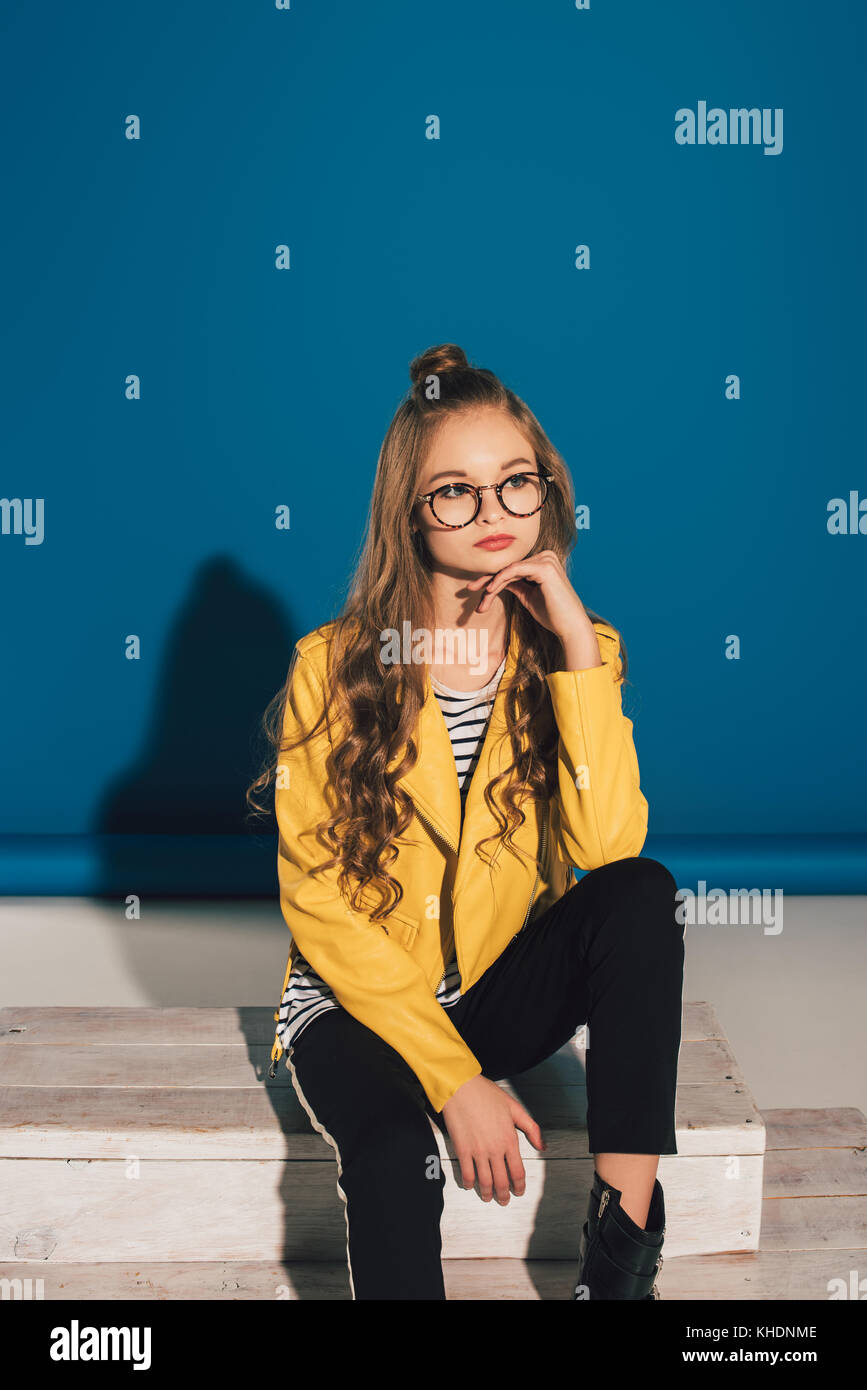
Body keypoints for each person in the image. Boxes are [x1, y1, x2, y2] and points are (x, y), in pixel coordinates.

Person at [246, 342, 685, 1301]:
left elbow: (610, 863)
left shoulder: (580, 649)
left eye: (513, 484)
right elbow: (315, 903)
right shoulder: (332, 663)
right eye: (455, 492)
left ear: (546, 492)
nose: (491, 515)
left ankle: (618, 1267)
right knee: (399, 1152)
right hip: (358, 1006)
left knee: (646, 895)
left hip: (492, 991)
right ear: (408, 512)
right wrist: (452, 1081)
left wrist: (573, 647)